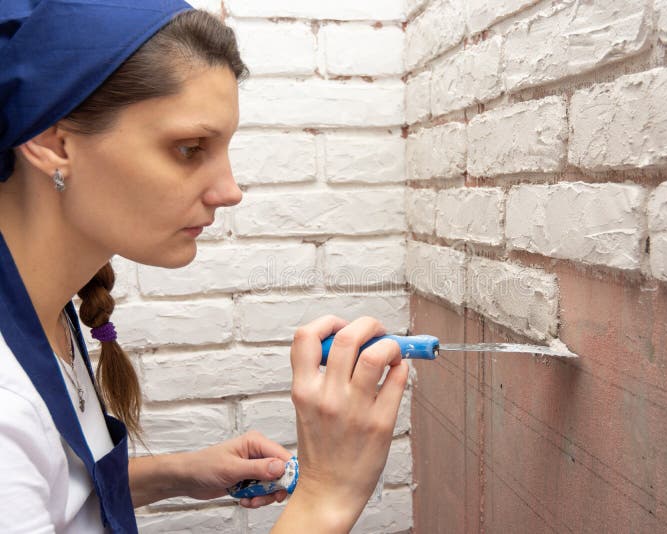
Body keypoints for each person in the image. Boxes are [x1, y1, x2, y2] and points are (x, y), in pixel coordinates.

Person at [0, 1, 409, 532]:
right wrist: (328, 496)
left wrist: (178, 473)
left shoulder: (48, 313)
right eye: (191, 148)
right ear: (53, 143)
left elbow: (55, 488)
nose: (230, 191)